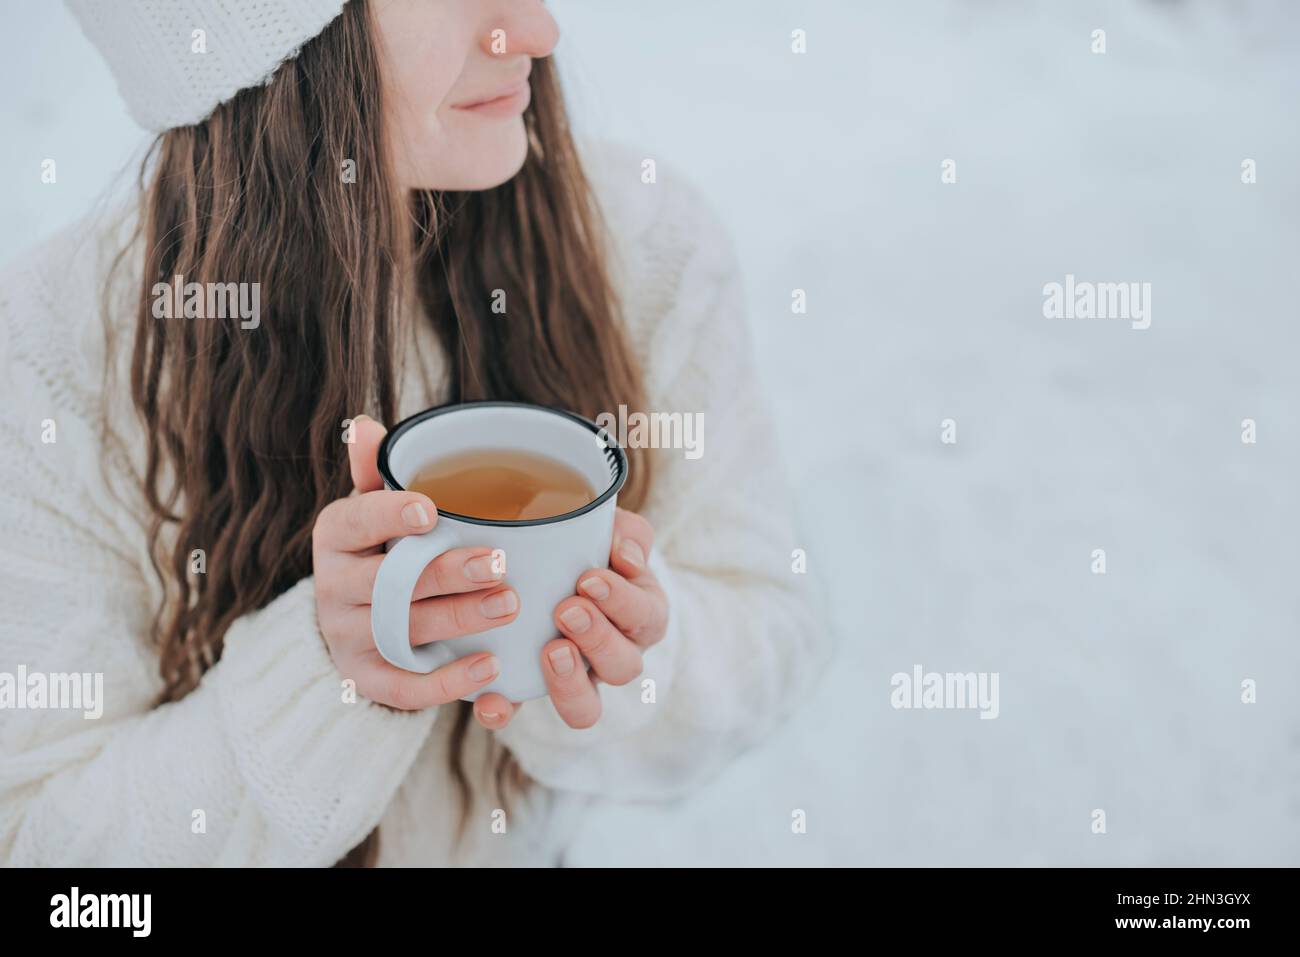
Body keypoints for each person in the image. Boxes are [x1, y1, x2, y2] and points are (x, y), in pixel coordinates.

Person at [0, 0, 826, 866]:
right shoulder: (48, 359)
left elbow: (768, 627)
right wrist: (327, 676)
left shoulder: (644, 243)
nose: (536, 31)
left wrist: (611, 640)